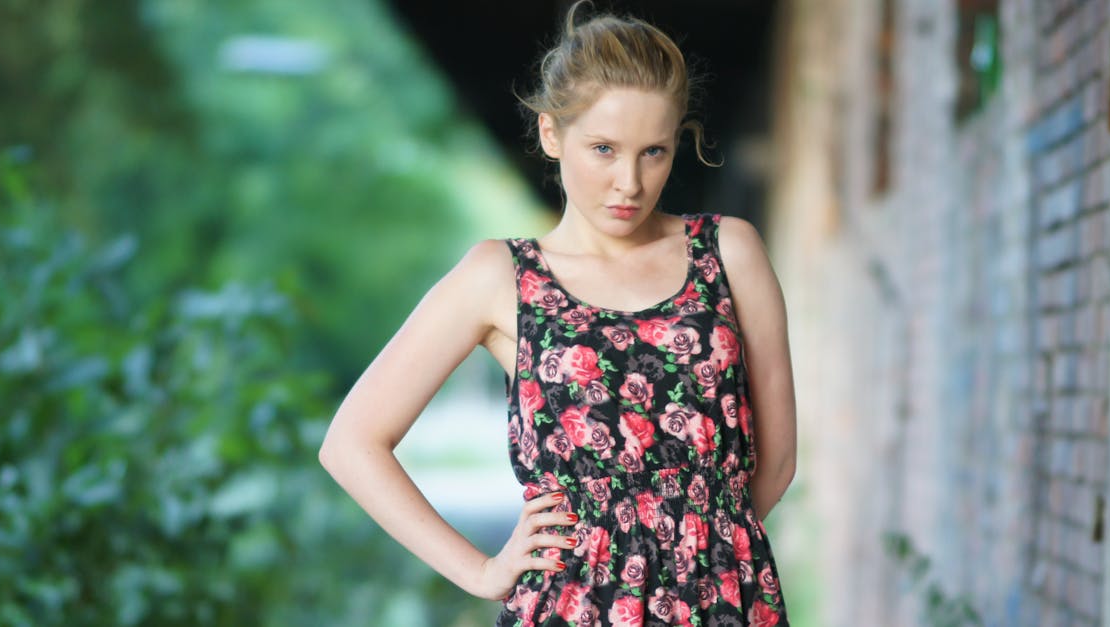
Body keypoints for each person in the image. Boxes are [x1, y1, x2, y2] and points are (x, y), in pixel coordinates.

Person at [318, 2, 796, 625]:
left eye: (654, 151)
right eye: (603, 148)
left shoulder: (729, 252)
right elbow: (351, 444)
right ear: (551, 134)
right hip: (571, 607)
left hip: (725, 601)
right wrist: (481, 572)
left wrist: (700, 560)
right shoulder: (501, 277)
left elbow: (777, 461)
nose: (629, 181)